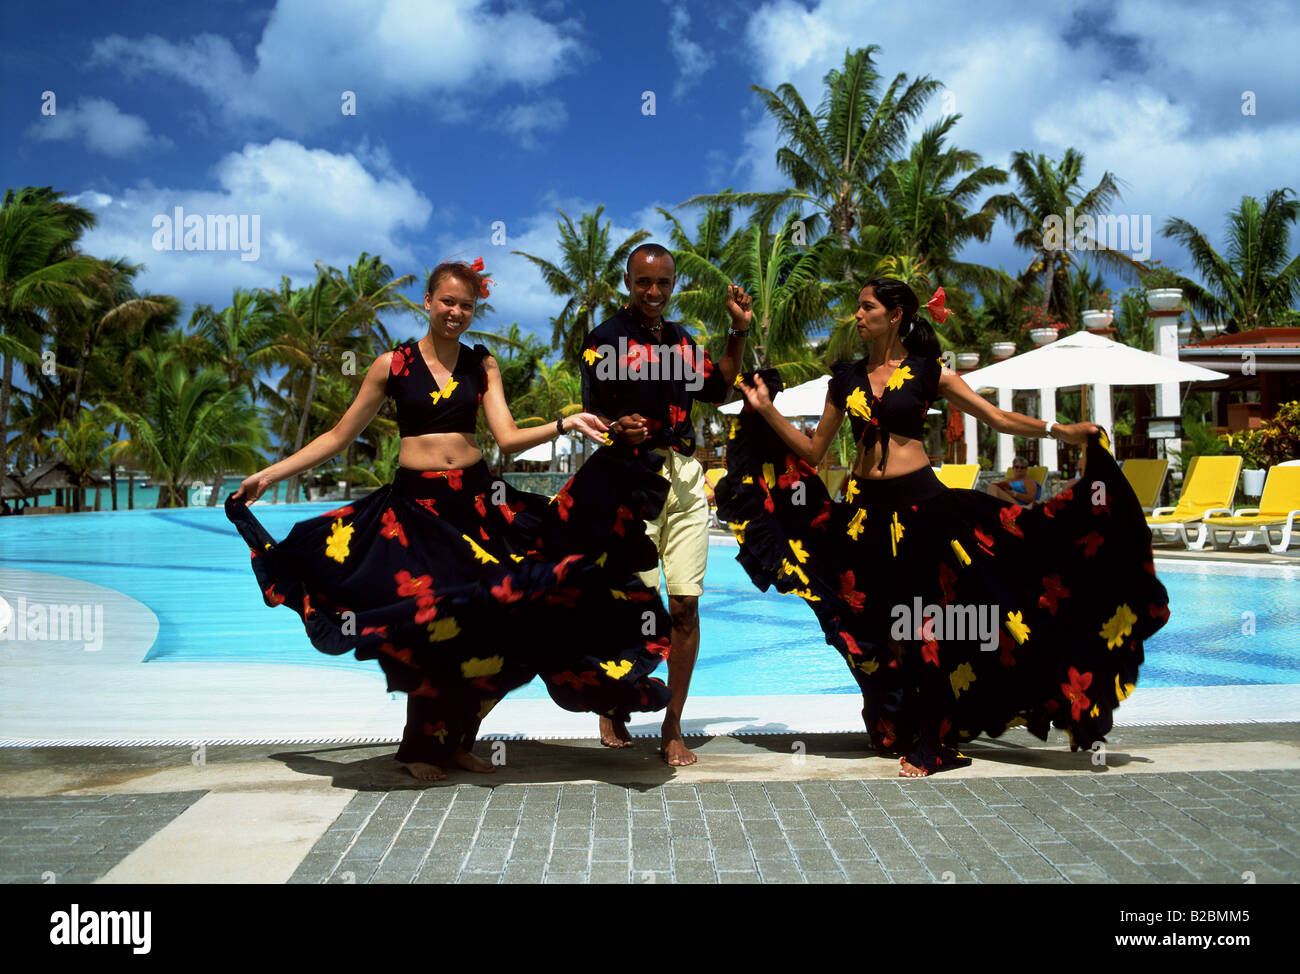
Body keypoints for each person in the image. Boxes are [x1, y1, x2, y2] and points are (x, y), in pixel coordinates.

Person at [227, 259, 675, 782]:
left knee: (495, 623)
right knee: (431, 631)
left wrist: (565, 422)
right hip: (415, 516)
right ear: (428, 301)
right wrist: (268, 475)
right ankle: (419, 749)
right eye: (448, 302)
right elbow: (338, 438)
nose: (456, 312)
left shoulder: (482, 364)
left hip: (479, 507)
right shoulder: (391, 365)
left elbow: (506, 437)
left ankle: (458, 742)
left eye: (466, 305)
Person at [719, 277, 1170, 778]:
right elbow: (811, 451)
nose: (858, 316)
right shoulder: (843, 379)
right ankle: (899, 722)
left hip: (924, 512)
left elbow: (995, 417)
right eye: (858, 308)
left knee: (924, 625)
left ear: (894, 316)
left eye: (866, 307)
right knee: (874, 627)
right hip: (865, 517)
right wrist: (764, 410)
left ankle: (932, 744)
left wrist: (1060, 431)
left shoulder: (929, 372)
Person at [581, 243, 753, 766]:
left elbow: (720, 388)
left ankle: (672, 722)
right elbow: (594, 418)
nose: (654, 293)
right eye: (643, 283)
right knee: (633, 605)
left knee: (684, 604)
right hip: (630, 479)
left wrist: (739, 330)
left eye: (663, 284)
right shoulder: (603, 341)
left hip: (683, 477)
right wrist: (618, 430)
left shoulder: (681, 341)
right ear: (627, 282)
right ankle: (615, 699)